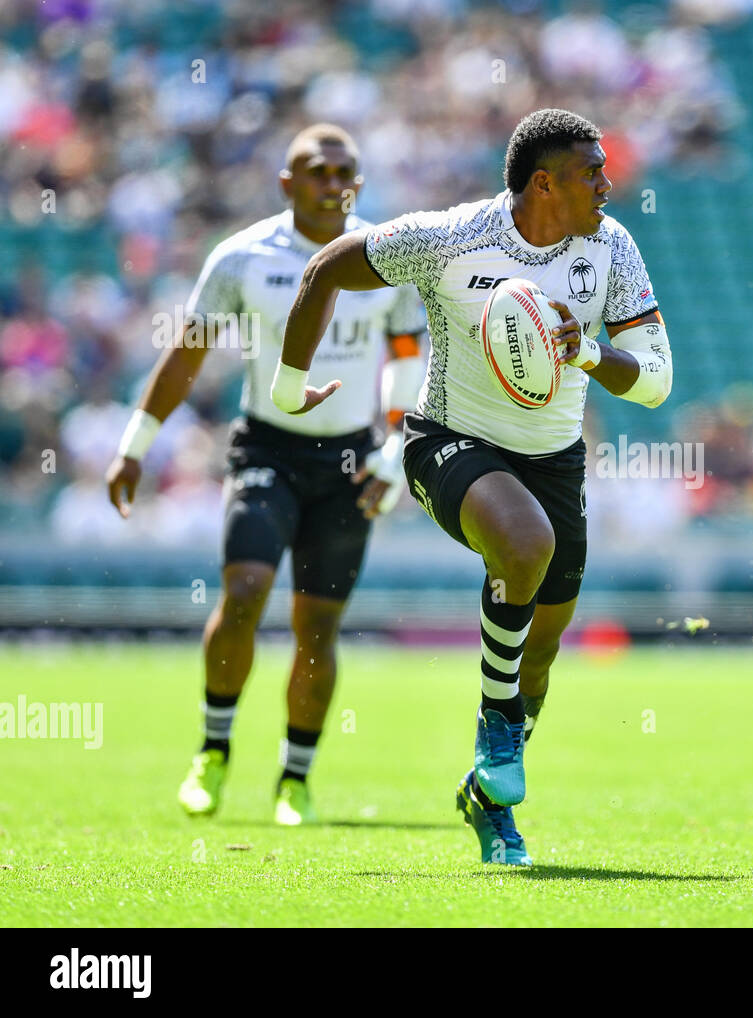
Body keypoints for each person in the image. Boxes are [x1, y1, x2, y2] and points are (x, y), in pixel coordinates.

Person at [271, 109, 671, 865]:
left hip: (553, 464)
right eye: (592, 170)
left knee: (542, 661)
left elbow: (655, 380)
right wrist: (290, 386)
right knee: (524, 546)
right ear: (545, 181)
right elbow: (325, 269)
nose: (607, 182)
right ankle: (495, 729)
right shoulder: (451, 237)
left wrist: (586, 351)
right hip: (448, 441)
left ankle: (487, 801)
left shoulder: (612, 247)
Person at [106, 124, 428, 825]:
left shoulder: (385, 256)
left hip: (350, 461)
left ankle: (295, 776)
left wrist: (396, 444)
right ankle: (214, 749)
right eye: (317, 170)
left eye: (346, 171)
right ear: (287, 183)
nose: (333, 182)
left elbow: (408, 352)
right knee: (246, 588)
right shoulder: (242, 257)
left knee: (317, 628)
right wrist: (136, 444)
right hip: (267, 448)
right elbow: (187, 355)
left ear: (360, 183)